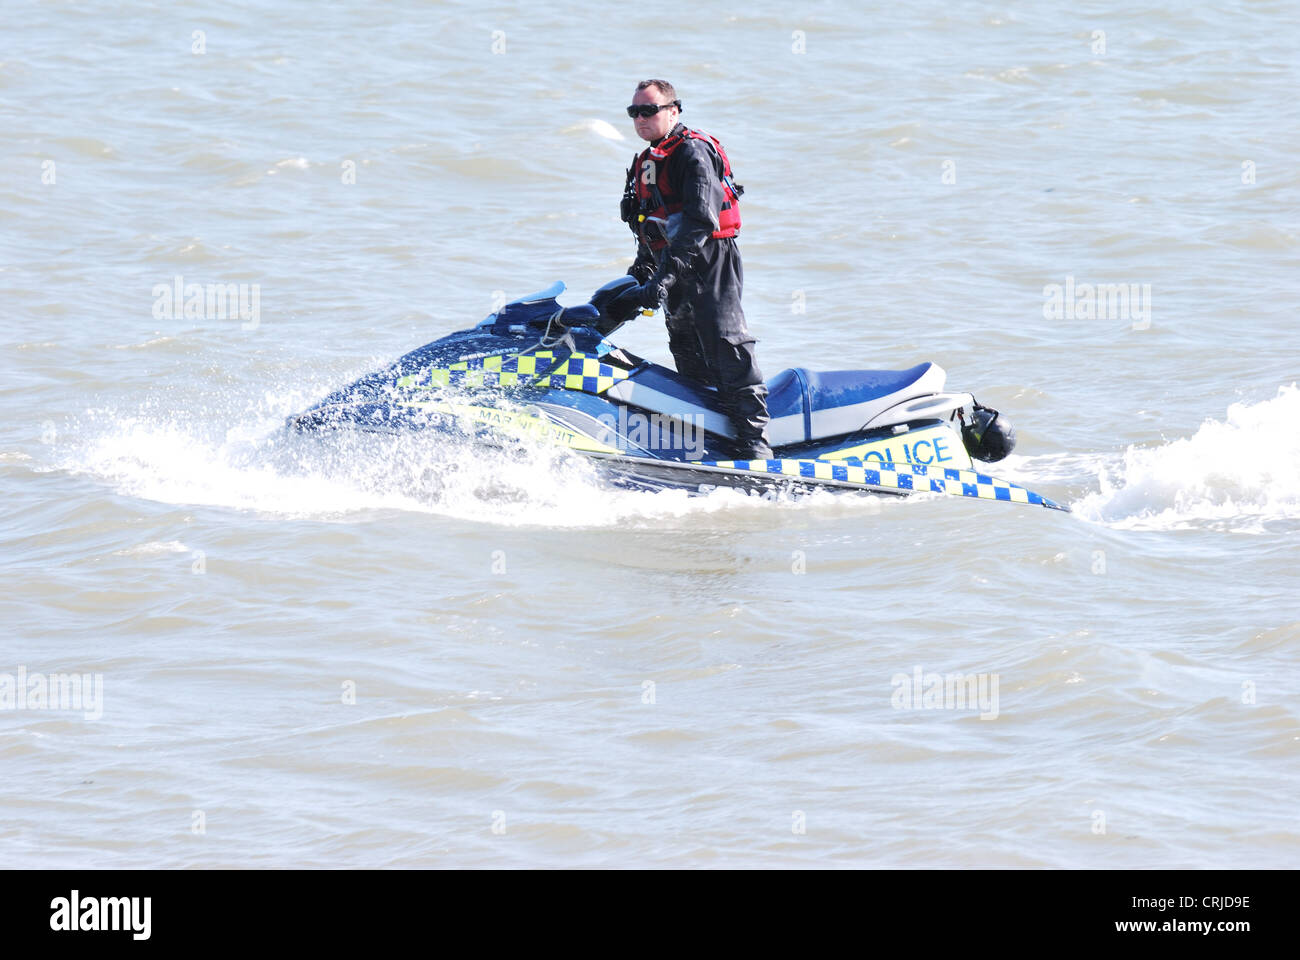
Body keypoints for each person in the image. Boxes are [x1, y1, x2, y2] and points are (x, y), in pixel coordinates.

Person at [619, 79, 773, 460]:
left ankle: (755, 445)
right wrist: (643, 274)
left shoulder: (693, 151)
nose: (641, 118)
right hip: (670, 266)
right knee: (686, 349)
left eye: (649, 110)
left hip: (709, 258)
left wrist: (666, 274)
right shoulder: (647, 160)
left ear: (673, 110)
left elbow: (701, 220)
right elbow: (648, 223)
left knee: (725, 344)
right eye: (634, 112)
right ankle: (709, 438)